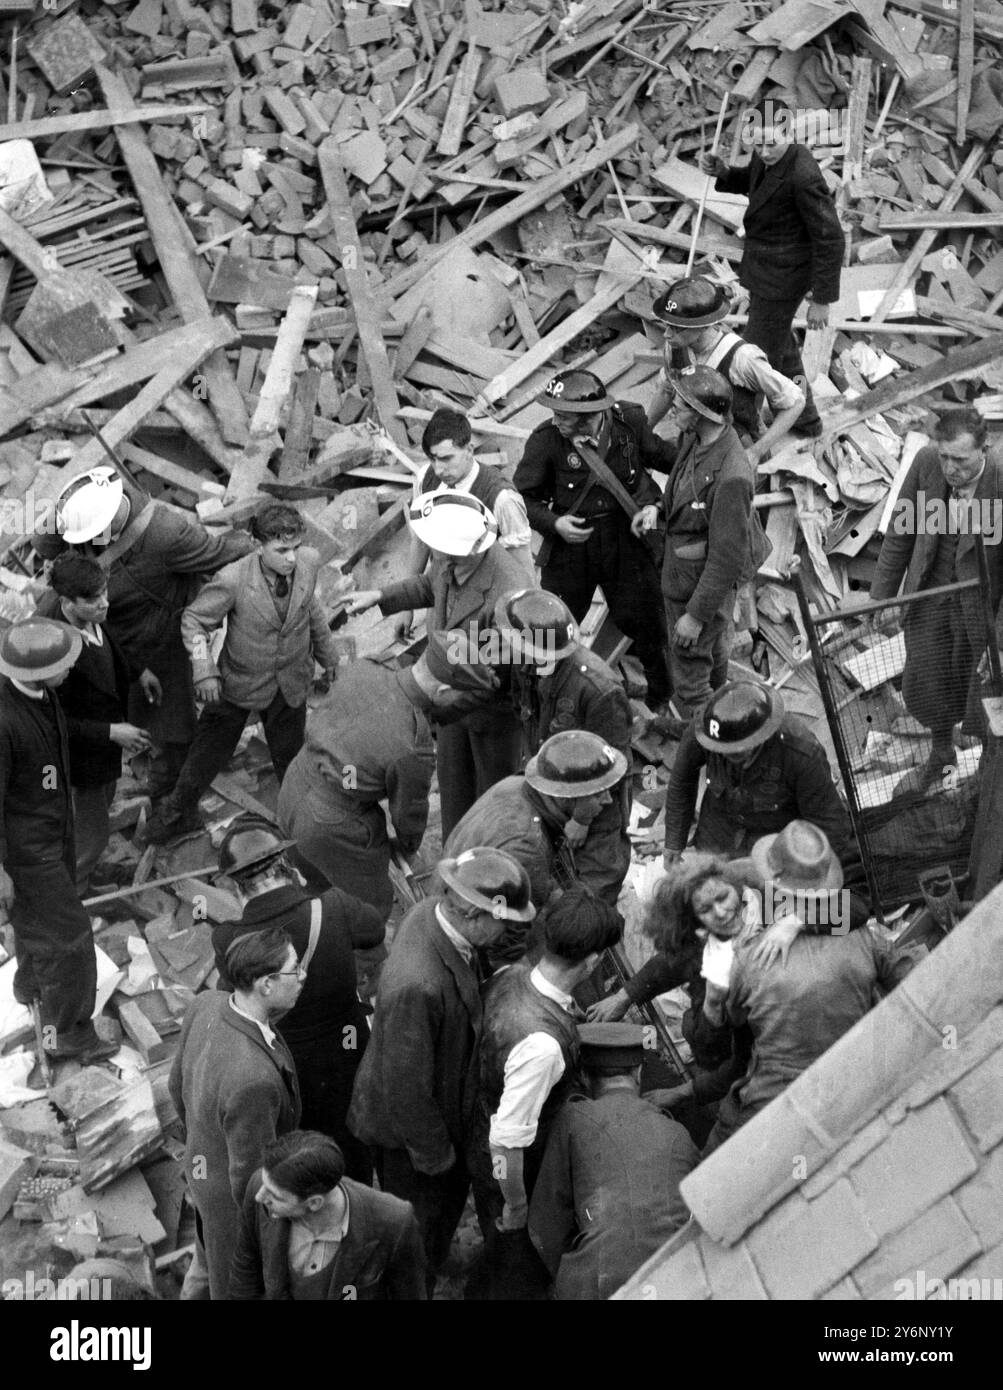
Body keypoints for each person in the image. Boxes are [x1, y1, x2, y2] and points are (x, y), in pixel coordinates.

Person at [347, 848, 535, 1291]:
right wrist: (437, 1158)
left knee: (436, 1218)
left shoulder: (434, 915)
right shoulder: (418, 984)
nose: (509, 930)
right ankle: (416, 1280)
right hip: (409, 1136)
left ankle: (435, 1253)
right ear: (472, 912)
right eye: (504, 920)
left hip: (428, 1108)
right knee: (422, 1219)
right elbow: (406, 1087)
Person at [33, 464, 254, 810]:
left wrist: (259, 547)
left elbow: (220, 553)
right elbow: (42, 543)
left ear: (110, 524)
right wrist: (60, 514)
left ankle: (165, 786)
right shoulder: (84, 502)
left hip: (155, 634)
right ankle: (120, 759)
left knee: (168, 716)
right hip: (101, 624)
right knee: (98, 699)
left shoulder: (167, 533)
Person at [695, 822, 916, 1153]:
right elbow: (910, 976)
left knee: (714, 1157)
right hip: (858, 1078)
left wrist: (713, 1006)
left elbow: (732, 1038)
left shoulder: (747, 958)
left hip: (777, 1097)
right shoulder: (860, 934)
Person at [143, 504, 338, 844]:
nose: (291, 558)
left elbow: (313, 613)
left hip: (290, 682)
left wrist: (332, 660)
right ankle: (174, 816)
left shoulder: (307, 564)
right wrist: (204, 669)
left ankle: (302, 824)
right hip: (238, 683)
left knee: (291, 760)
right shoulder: (233, 578)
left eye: (294, 548)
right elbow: (194, 621)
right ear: (257, 544)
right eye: (281, 551)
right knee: (204, 757)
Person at [209, 816, 385, 1183]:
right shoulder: (332, 907)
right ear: (288, 866)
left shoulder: (228, 940)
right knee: (354, 1142)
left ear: (236, 885)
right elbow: (374, 928)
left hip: (285, 1065)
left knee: (304, 1151)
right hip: (348, 1054)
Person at [345, 490, 529, 838]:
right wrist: (380, 596)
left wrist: (429, 707)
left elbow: (496, 678)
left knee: (492, 800)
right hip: (448, 703)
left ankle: (488, 864)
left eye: (437, 549)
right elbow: (429, 586)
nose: (434, 555)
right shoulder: (451, 561)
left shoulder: (507, 592)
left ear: (460, 550)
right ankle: (454, 853)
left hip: (489, 715)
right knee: (454, 788)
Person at [277, 630, 496, 919]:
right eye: (459, 695)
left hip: (293, 787)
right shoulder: (412, 748)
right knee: (368, 911)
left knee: (309, 884)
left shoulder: (368, 666)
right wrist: (405, 846)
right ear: (443, 692)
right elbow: (408, 814)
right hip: (332, 824)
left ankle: (316, 934)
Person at [514, 369, 671, 711]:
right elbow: (522, 498)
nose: (555, 421)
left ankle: (659, 698)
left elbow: (672, 462)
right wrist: (555, 524)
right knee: (550, 626)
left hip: (626, 540)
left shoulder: (629, 424)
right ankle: (541, 701)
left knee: (648, 621)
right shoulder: (545, 440)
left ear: (588, 416)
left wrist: (657, 506)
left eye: (563, 416)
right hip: (572, 546)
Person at [0, 617, 116, 1064]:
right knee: (69, 939)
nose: (70, 668)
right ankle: (69, 1033)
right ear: (32, 671)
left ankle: (29, 986)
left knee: (39, 924)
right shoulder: (6, 720)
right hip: (29, 852)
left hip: (53, 831)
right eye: (62, 664)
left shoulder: (42, 695)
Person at [869, 406, 1003, 787]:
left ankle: (984, 774)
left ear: (985, 448)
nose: (950, 468)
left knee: (984, 692)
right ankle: (941, 750)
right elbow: (900, 533)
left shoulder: (1002, 482)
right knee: (928, 682)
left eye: (960, 459)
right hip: (929, 599)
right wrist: (884, 599)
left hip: (982, 610)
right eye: (945, 456)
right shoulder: (927, 462)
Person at [476, 889, 622, 1236]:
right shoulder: (543, 1048)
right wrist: (516, 1205)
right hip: (513, 1171)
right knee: (514, 1251)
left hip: (482, 1127)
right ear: (592, 962)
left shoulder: (509, 974)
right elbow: (505, 1142)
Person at [168, 929, 303, 1299]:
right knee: (236, 1286)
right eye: (295, 970)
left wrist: (202, 1138)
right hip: (232, 1207)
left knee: (206, 1257)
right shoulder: (252, 1079)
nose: (303, 976)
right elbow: (251, 1180)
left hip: (203, 1177)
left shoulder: (207, 1003)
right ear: (266, 984)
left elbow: (175, 1085)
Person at [701, 96, 845, 436]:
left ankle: (741, 429)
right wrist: (723, 173)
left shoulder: (802, 175)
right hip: (766, 267)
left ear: (789, 132)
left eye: (771, 143)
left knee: (751, 357)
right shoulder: (765, 154)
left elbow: (831, 237)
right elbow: (755, 183)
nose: (764, 151)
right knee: (781, 350)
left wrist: (821, 300)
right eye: (758, 142)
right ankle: (807, 419)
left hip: (785, 278)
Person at [632, 366, 771, 719]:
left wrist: (694, 617)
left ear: (704, 412)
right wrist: (657, 509)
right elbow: (682, 488)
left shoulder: (732, 476)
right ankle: (723, 710)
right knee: (714, 654)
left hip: (697, 593)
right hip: (685, 578)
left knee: (691, 686)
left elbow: (727, 557)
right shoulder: (696, 440)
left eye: (680, 402)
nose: (672, 407)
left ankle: (711, 750)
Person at [529, 1023, 699, 1300]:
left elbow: (545, 1222)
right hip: (677, 1280)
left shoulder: (572, 1119)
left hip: (597, 1283)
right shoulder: (677, 1132)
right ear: (639, 1073)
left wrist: (564, 1277)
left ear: (583, 1076)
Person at [442, 730, 631, 925]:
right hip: (469, 920)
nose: (608, 800)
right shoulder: (530, 847)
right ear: (568, 797)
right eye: (598, 794)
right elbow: (504, 934)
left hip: (457, 894)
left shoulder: (516, 786)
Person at [660, 679, 852, 865]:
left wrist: (801, 875)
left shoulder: (800, 753)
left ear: (762, 736)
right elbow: (682, 780)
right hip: (717, 835)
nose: (730, 755)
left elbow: (829, 826)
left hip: (773, 848)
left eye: (740, 748)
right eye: (723, 749)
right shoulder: (707, 730)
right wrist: (674, 841)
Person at [47, 554, 151, 894]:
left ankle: (85, 871)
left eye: (105, 593)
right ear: (66, 602)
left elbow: (111, 643)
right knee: (90, 829)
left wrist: (138, 671)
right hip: (80, 759)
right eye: (93, 600)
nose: (104, 604)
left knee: (99, 810)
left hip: (103, 750)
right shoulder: (51, 644)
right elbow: (53, 722)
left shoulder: (92, 615)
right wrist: (111, 732)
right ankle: (76, 891)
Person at [230, 1131, 427, 1301]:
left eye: (275, 1196)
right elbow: (244, 1275)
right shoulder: (260, 1184)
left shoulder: (394, 1221)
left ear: (314, 1203)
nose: (260, 1196)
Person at [646, 276, 806, 461]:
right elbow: (666, 391)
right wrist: (645, 429)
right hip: (696, 444)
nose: (666, 334)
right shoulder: (675, 347)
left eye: (676, 328)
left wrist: (756, 452)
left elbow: (795, 402)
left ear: (704, 325)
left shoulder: (741, 358)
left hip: (738, 451)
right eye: (667, 325)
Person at [411, 407, 533, 570]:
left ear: (469, 450)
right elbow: (420, 541)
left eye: (446, 458)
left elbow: (522, 569)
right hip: (440, 580)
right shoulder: (425, 478)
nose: (438, 469)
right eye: (432, 459)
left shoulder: (502, 499)